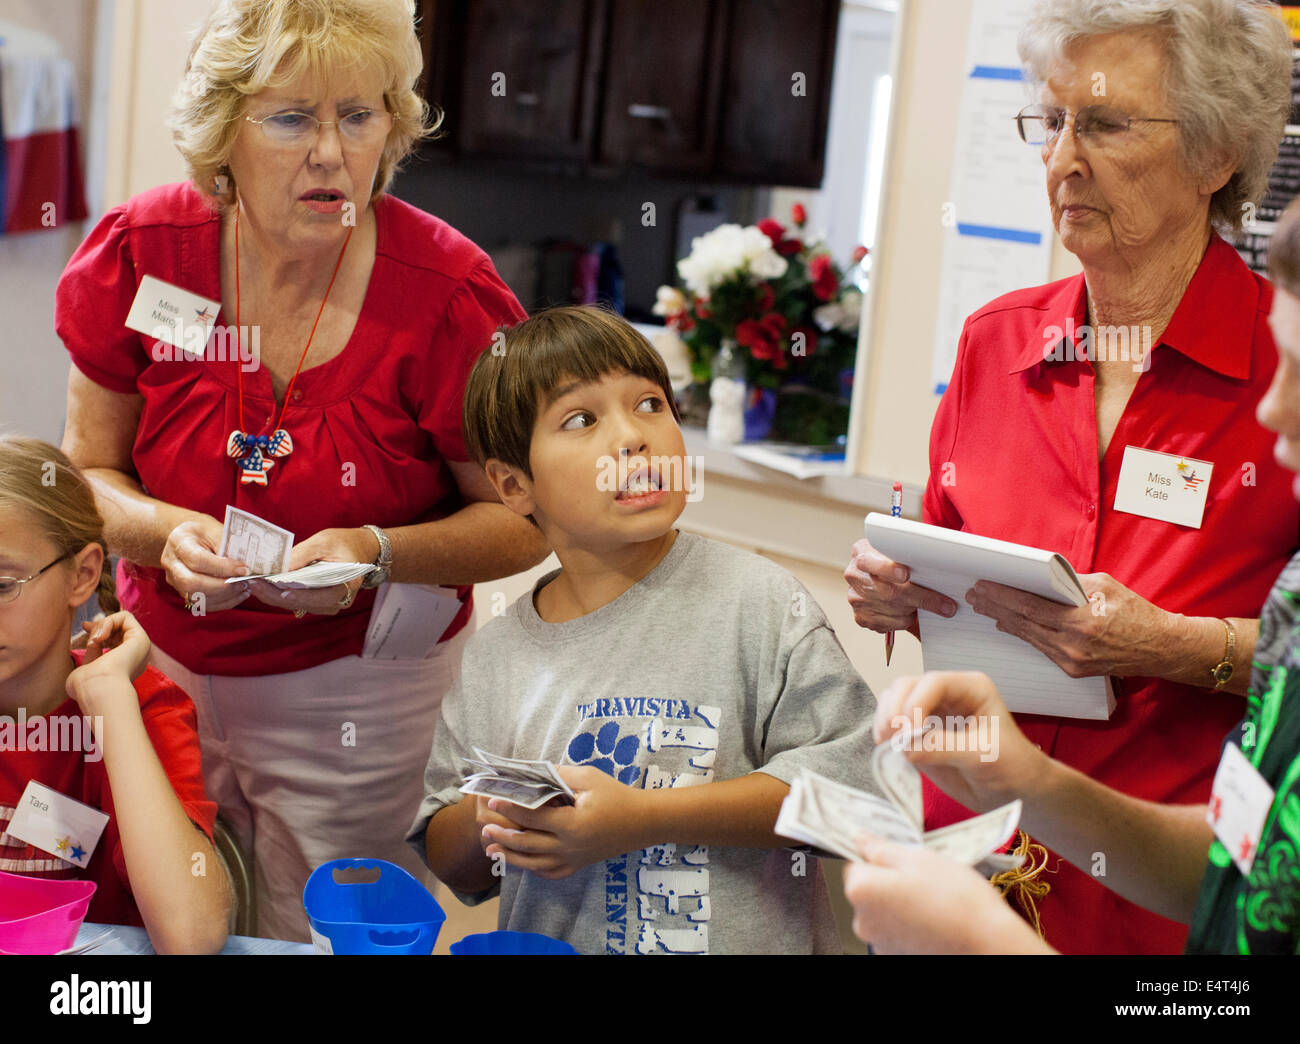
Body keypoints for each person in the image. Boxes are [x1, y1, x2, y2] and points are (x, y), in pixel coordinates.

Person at [53, 0, 549, 940]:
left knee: (323, 934)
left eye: (359, 117)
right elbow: (87, 472)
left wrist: (375, 550)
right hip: (161, 666)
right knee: (162, 919)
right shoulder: (144, 255)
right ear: (221, 136)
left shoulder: (447, 295)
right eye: (291, 119)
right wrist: (163, 533)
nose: (331, 152)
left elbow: (523, 522)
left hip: (361, 694)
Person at [844, 0, 1299, 954]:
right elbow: (942, 548)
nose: (1061, 161)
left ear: (1218, 155)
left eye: (1104, 123)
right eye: (1051, 122)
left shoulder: (1282, 372)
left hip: (1175, 896)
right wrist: (893, 592)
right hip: (962, 862)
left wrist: (1174, 645)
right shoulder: (996, 343)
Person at [407, 306, 878, 954]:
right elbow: (448, 855)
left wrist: (645, 819)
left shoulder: (761, 605)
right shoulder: (497, 655)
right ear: (515, 485)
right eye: (581, 419)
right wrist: (490, 816)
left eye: (651, 404)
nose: (632, 437)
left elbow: (855, 793)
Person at [0, 438, 229, 953]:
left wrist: (109, 700)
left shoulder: (138, 708)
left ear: (82, 575)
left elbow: (191, 935)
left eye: (0, 586)